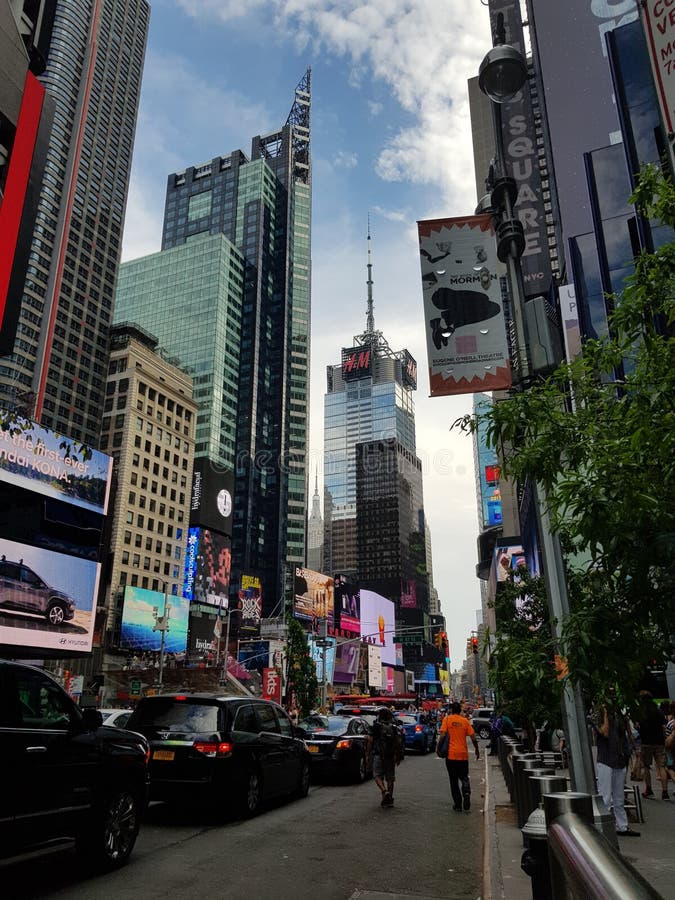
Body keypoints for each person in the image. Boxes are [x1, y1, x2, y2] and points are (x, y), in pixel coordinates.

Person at [592, 705, 639, 837]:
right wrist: (605, 713)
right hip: (606, 760)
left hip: (619, 759)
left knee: (619, 798)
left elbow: (627, 733)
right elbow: (604, 733)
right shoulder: (596, 717)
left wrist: (633, 749)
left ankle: (622, 826)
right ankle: (605, 828)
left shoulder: (619, 715)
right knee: (605, 797)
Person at [439, 700, 480, 812]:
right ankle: (466, 792)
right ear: (460, 710)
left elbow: (442, 736)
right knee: (464, 777)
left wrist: (439, 748)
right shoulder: (465, 721)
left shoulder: (447, 720)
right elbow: (473, 738)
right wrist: (477, 750)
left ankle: (457, 805)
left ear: (451, 710)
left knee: (453, 780)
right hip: (463, 755)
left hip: (451, 756)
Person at [368, 708, 403, 807]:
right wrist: (399, 755)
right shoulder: (394, 728)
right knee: (390, 778)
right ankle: (389, 799)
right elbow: (397, 742)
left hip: (378, 755)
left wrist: (368, 753)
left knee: (377, 775)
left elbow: (370, 741)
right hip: (390, 756)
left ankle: (384, 791)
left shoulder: (376, 727)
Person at [636, 691, 668, 800]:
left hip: (646, 742)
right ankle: (665, 792)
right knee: (661, 767)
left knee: (646, 766)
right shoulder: (659, 712)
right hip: (659, 742)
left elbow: (637, 727)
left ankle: (649, 789)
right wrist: (664, 739)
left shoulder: (641, 712)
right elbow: (664, 727)